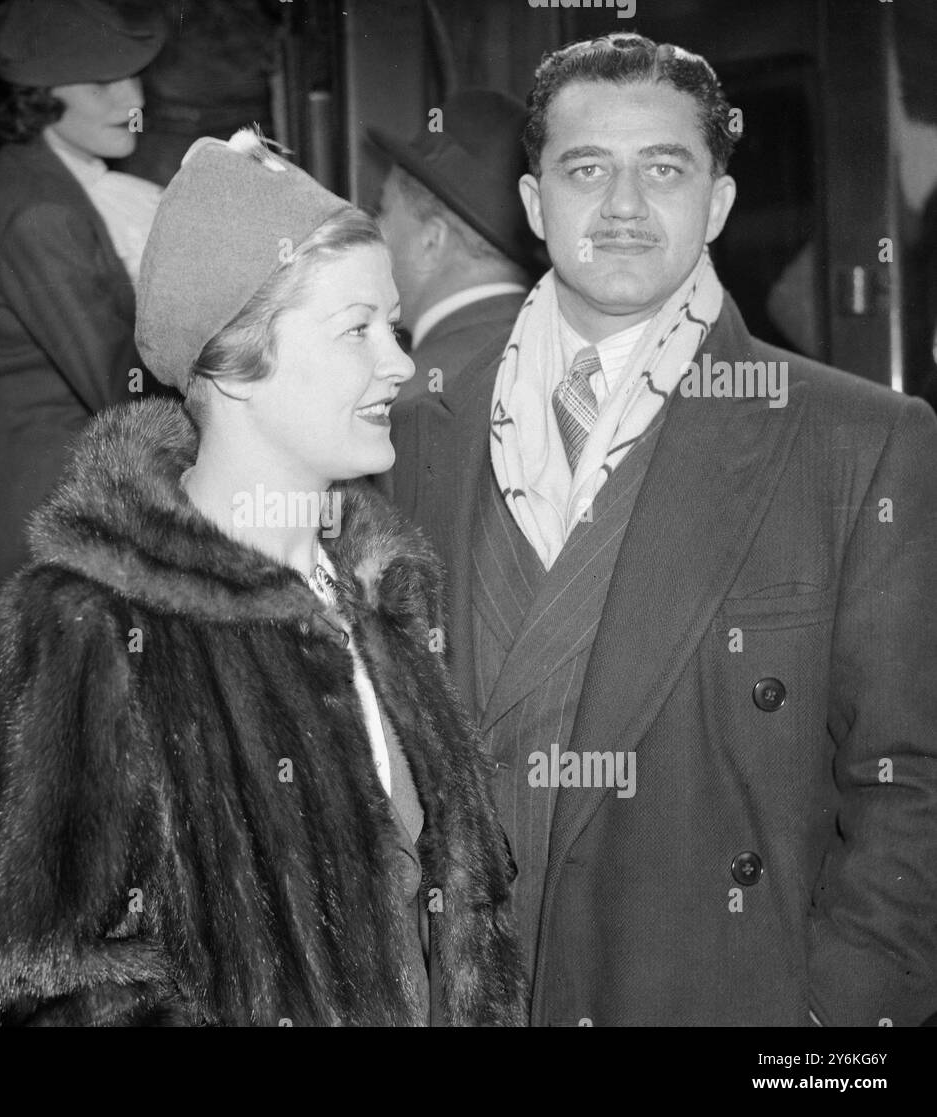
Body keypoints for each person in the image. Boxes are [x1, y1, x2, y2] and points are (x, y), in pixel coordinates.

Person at [390, 32, 937, 1026]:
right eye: (586, 169)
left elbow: (906, 778)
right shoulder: (414, 429)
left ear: (717, 202)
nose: (625, 207)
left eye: (664, 169)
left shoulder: (855, 440)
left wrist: (832, 1028)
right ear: (532, 202)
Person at [0, 129, 527, 1026]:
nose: (400, 363)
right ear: (236, 355)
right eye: (357, 328)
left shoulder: (382, 595)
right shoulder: (82, 625)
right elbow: (20, 989)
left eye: (394, 326)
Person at [0, 0, 168, 626]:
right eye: (101, 84)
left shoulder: (30, 181)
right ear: (39, 97)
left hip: (37, 531)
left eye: (133, 75)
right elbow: (123, 390)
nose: (130, 98)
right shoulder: (39, 209)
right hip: (48, 542)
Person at [370, 89, 537, 425]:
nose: (372, 231)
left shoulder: (396, 404)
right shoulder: (562, 356)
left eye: (382, 211)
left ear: (432, 241)